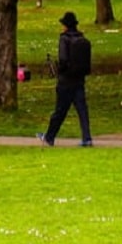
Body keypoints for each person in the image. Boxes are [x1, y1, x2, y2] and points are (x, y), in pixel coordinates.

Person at [36, 11, 93, 147]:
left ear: (65, 25)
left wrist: (60, 71)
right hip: (79, 80)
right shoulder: (82, 38)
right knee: (82, 111)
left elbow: (63, 59)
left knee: (60, 111)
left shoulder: (64, 39)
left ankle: (49, 137)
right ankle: (87, 138)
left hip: (66, 81)